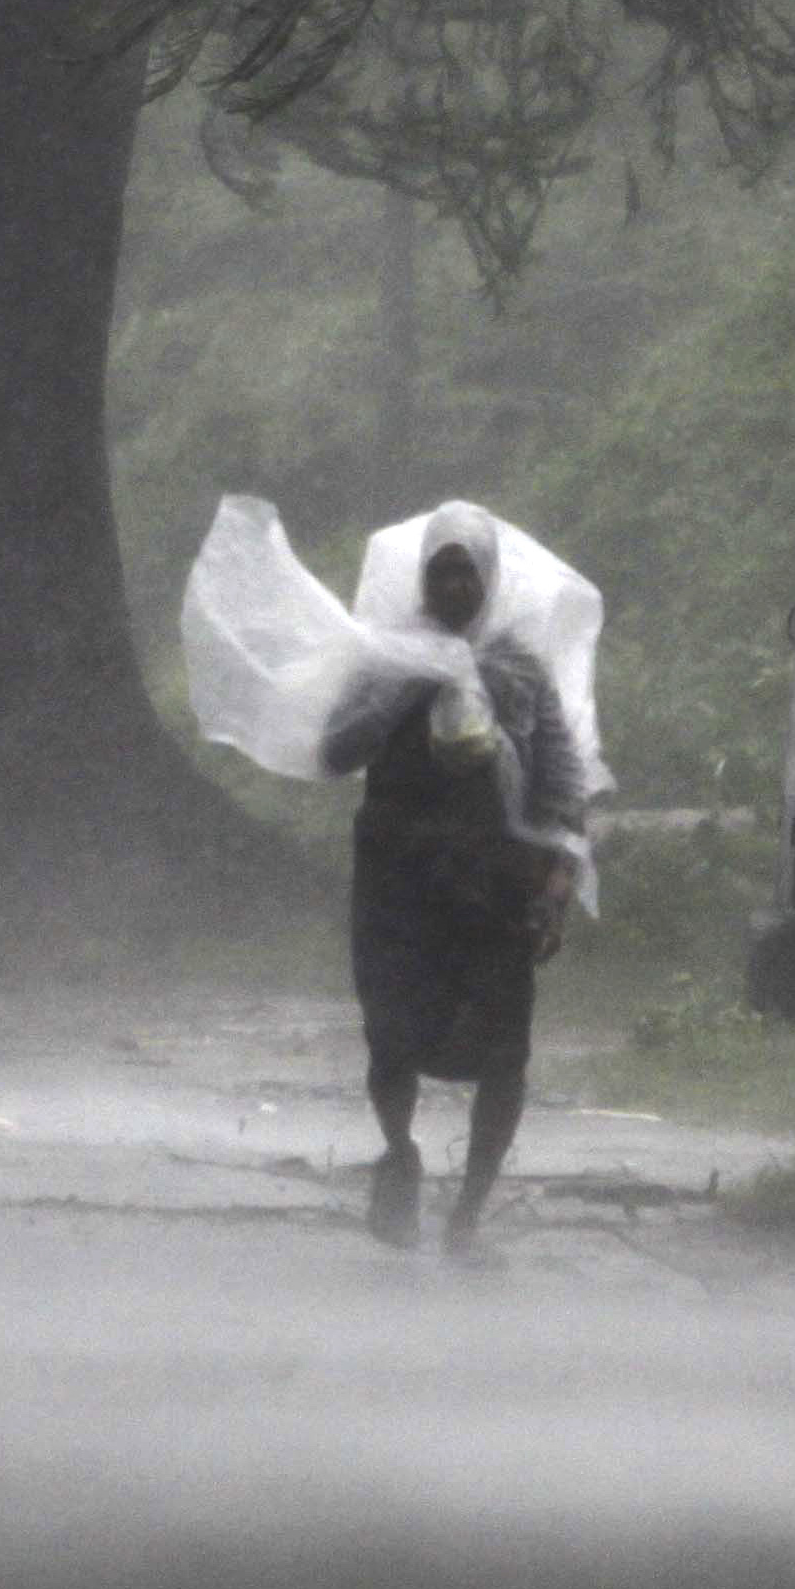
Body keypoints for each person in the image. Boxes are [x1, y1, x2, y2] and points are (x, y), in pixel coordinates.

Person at [315, 502, 592, 1256]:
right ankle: (399, 1153)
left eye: (468, 572)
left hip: (494, 886)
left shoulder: (517, 667)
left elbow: (562, 780)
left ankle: (468, 1210)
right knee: (392, 1037)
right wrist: (410, 685)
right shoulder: (389, 658)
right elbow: (334, 751)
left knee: (504, 1051)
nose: (455, 587)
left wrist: (558, 881)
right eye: (441, 572)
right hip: (400, 885)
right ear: (422, 580)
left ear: (490, 577)